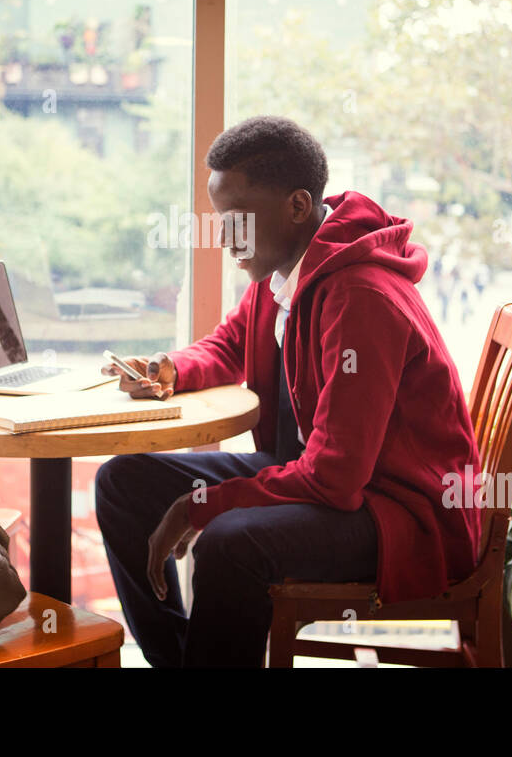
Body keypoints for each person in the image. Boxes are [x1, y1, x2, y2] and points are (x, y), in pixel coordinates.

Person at [93, 115, 483, 667]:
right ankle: (184, 659)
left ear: (297, 206)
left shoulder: (358, 296)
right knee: (123, 480)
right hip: (323, 476)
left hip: (398, 514)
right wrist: (170, 370)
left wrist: (202, 505)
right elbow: (230, 344)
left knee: (230, 541)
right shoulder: (290, 268)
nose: (225, 239)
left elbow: (335, 479)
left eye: (236, 221)